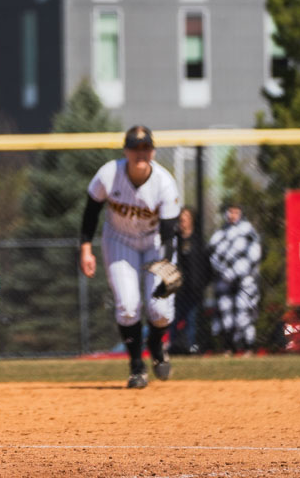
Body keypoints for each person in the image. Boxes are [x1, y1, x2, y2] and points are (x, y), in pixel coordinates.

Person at [79, 126, 181, 389]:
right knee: (127, 305)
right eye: (135, 148)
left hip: (155, 242)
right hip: (119, 239)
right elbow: (91, 211)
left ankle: (156, 345)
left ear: (153, 151)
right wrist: (86, 248)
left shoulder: (165, 184)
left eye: (145, 147)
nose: (140, 153)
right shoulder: (108, 174)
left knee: (159, 309)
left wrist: (165, 268)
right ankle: (137, 366)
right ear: (126, 151)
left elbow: (170, 235)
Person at [208, 202, 262, 355]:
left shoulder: (248, 232)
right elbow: (213, 254)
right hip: (224, 281)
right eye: (230, 212)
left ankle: (248, 346)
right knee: (225, 314)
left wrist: (238, 272)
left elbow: (254, 256)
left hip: (245, 281)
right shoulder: (220, 233)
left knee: (243, 312)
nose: (232, 215)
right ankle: (228, 346)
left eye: (236, 212)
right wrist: (224, 272)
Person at [168, 207, 211, 355]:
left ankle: (192, 347)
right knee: (173, 319)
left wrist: (201, 284)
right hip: (179, 290)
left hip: (194, 290)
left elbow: (206, 265)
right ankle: (172, 346)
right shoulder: (175, 241)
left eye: (185, 219)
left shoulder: (198, 242)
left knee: (191, 320)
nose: (182, 222)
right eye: (181, 219)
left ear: (191, 220)